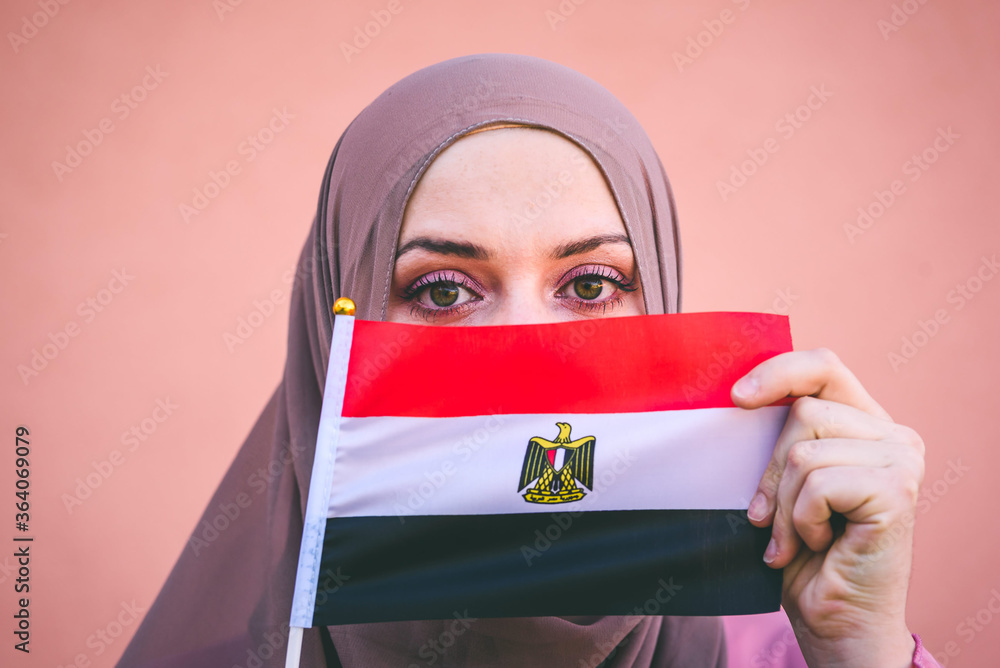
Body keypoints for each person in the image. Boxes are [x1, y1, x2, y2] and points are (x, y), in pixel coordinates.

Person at [119, 53, 938, 667]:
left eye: (590, 283)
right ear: (337, 317)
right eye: (443, 292)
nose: (531, 347)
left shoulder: (795, 648)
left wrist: (862, 648)